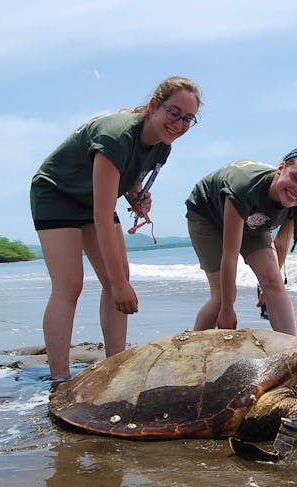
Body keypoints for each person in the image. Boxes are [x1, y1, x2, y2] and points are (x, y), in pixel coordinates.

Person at [31, 76, 202, 380]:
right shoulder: (116, 135)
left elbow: (129, 175)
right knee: (70, 286)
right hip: (56, 193)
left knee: (117, 280)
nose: (178, 124)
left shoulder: (163, 145)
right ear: (154, 106)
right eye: (173, 112)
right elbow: (102, 215)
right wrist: (120, 284)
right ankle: (59, 378)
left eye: (188, 118)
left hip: (93, 199)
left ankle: (116, 368)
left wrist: (137, 194)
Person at [185, 146, 297, 335]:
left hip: (253, 218)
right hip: (207, 215)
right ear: (281, 168)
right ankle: (192, 348)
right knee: (222, 298)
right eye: (296, 178)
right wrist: (227, 309)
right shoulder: (245, 187)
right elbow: (230, 255)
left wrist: (266, 288)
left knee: (274, 282)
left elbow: (281, 245)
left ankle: (292, 351)